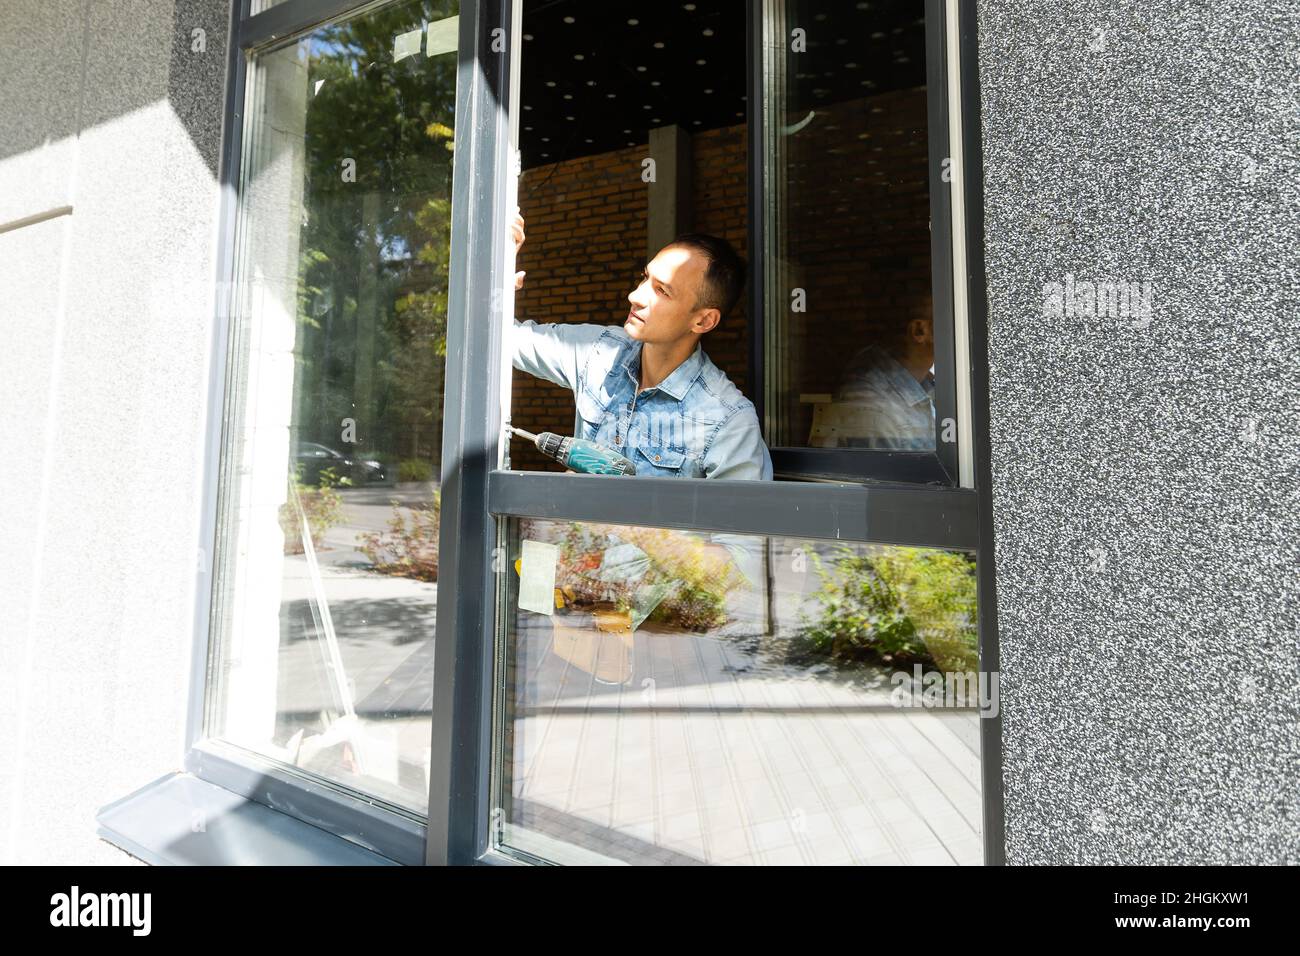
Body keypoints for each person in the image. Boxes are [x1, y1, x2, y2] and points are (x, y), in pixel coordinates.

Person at [507, 210, 770, 590]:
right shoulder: (599, 352)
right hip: (565, 604)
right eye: (645, 278)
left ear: (703, 321)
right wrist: (502, 269)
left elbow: (742, 569)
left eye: (662, 291)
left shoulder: (726, 419)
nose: (636, 296)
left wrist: (629, 522)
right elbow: (498, 340)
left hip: (653, 632)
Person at [833, 292, 937, 449]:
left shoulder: (927, 385)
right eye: (949, 317)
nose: (961, 329)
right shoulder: (874, 405)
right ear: (919, 331)